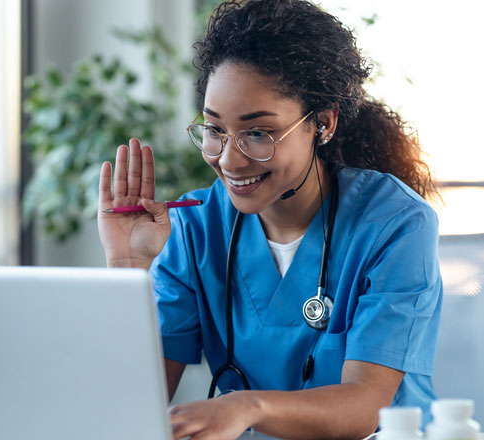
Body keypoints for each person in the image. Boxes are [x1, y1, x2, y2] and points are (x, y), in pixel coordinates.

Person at [97, 0, 443, 438]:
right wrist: (128, 272)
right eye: (213, 129)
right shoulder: (194, 229)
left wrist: (247, 407)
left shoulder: (394, 223)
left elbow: (367, 404)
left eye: (258, 133)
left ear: (322, 123)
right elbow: (128, 407)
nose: (228, 159)